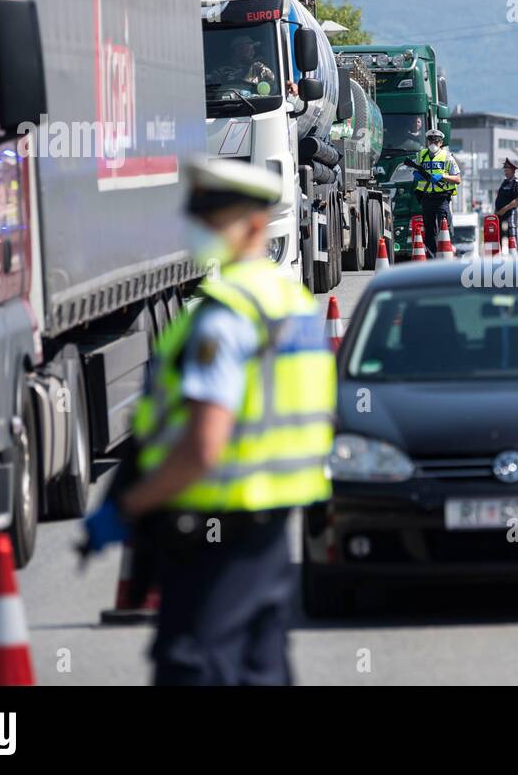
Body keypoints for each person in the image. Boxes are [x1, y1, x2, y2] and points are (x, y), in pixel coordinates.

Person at [82, 156, 335, 685]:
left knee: (193, 667)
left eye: (215, 220)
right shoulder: (291, 303)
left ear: (256, 226)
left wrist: (128, 507)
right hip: (271, 528)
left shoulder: (226, 315)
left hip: (214, 533)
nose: (201, 232)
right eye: (199, 219)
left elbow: (203, 448)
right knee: (260, 669)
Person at [412, 127, 461, 256]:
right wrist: (418, 175)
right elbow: (415, 172)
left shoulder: (447, 157)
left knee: (444, 226)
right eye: (431, 141)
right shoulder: (421, 155)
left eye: (436, 141)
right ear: (427, 141)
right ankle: (432, 257)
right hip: (426, 197)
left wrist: (442, 176)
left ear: (441, 143)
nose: (433, 143)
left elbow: (457, 179)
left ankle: (447, 254)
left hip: (442, 198)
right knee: (429, 231)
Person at [494, 157, 518, 250]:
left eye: (506, 169)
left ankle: (514, 255)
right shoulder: (504, 182)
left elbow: (517, 201)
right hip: (500, 215)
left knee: (511, 236)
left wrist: (504, 209)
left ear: (512, 170)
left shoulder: (516, 182)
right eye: (505, 169)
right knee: (501, 237)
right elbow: (499, 198)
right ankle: (504, 255)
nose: (505, 171)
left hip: (510, 214)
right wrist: (496, 211)